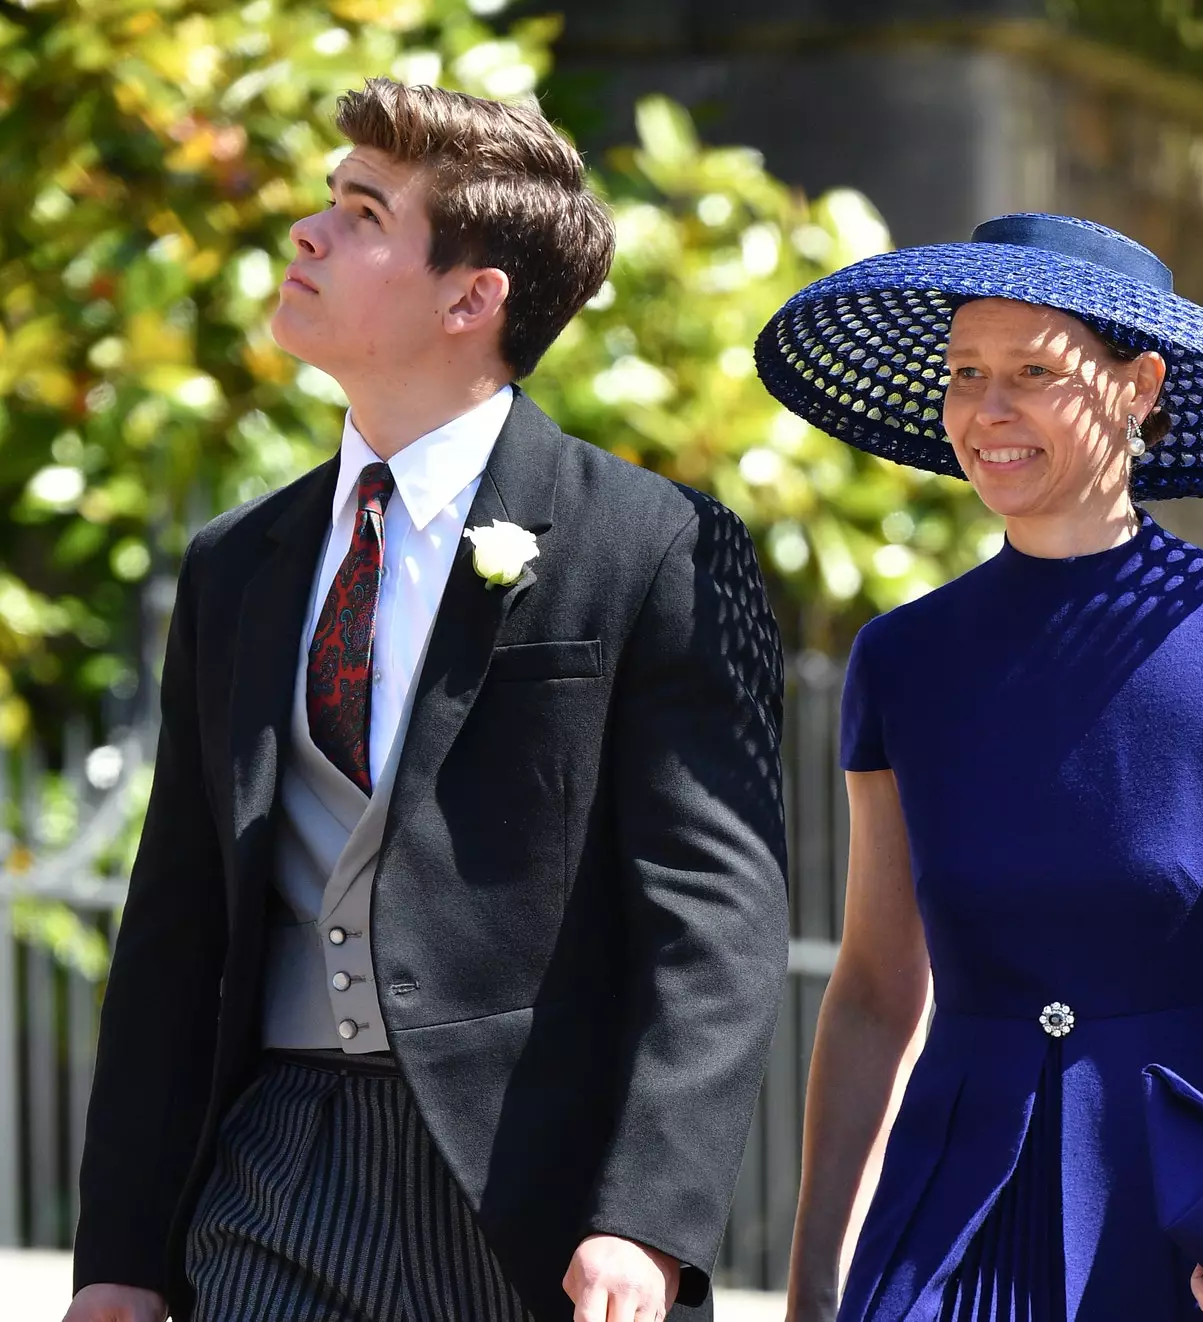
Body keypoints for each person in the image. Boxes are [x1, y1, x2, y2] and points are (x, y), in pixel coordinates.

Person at [65, 79, 790, 1322]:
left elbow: (714, 915)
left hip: (532, 1199)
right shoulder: (237, 563)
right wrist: (121, 1254)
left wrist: (646, 1213)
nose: (306, 231)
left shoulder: (650, 544)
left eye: (360, 212)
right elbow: (175, 926)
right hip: (269, 1164)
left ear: (472, 297)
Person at [754, 213, 1203, 1322]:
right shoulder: (899, 657)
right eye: (964, 373)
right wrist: (815, 1284)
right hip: (957, 1194)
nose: (984, 412)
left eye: (1032, 374)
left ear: (1139, 386)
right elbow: (868, 990)